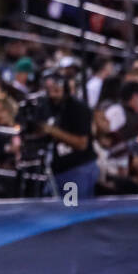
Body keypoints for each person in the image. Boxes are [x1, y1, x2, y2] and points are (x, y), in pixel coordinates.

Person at [40, 70, 98, 200]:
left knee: (73, 211)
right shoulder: (45, 106)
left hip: (76, 169)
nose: (53, 90)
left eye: (57, 86)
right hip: (58, 170)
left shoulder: (78, 108)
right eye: (49, 87)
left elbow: (82, 144)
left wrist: (53, 131)